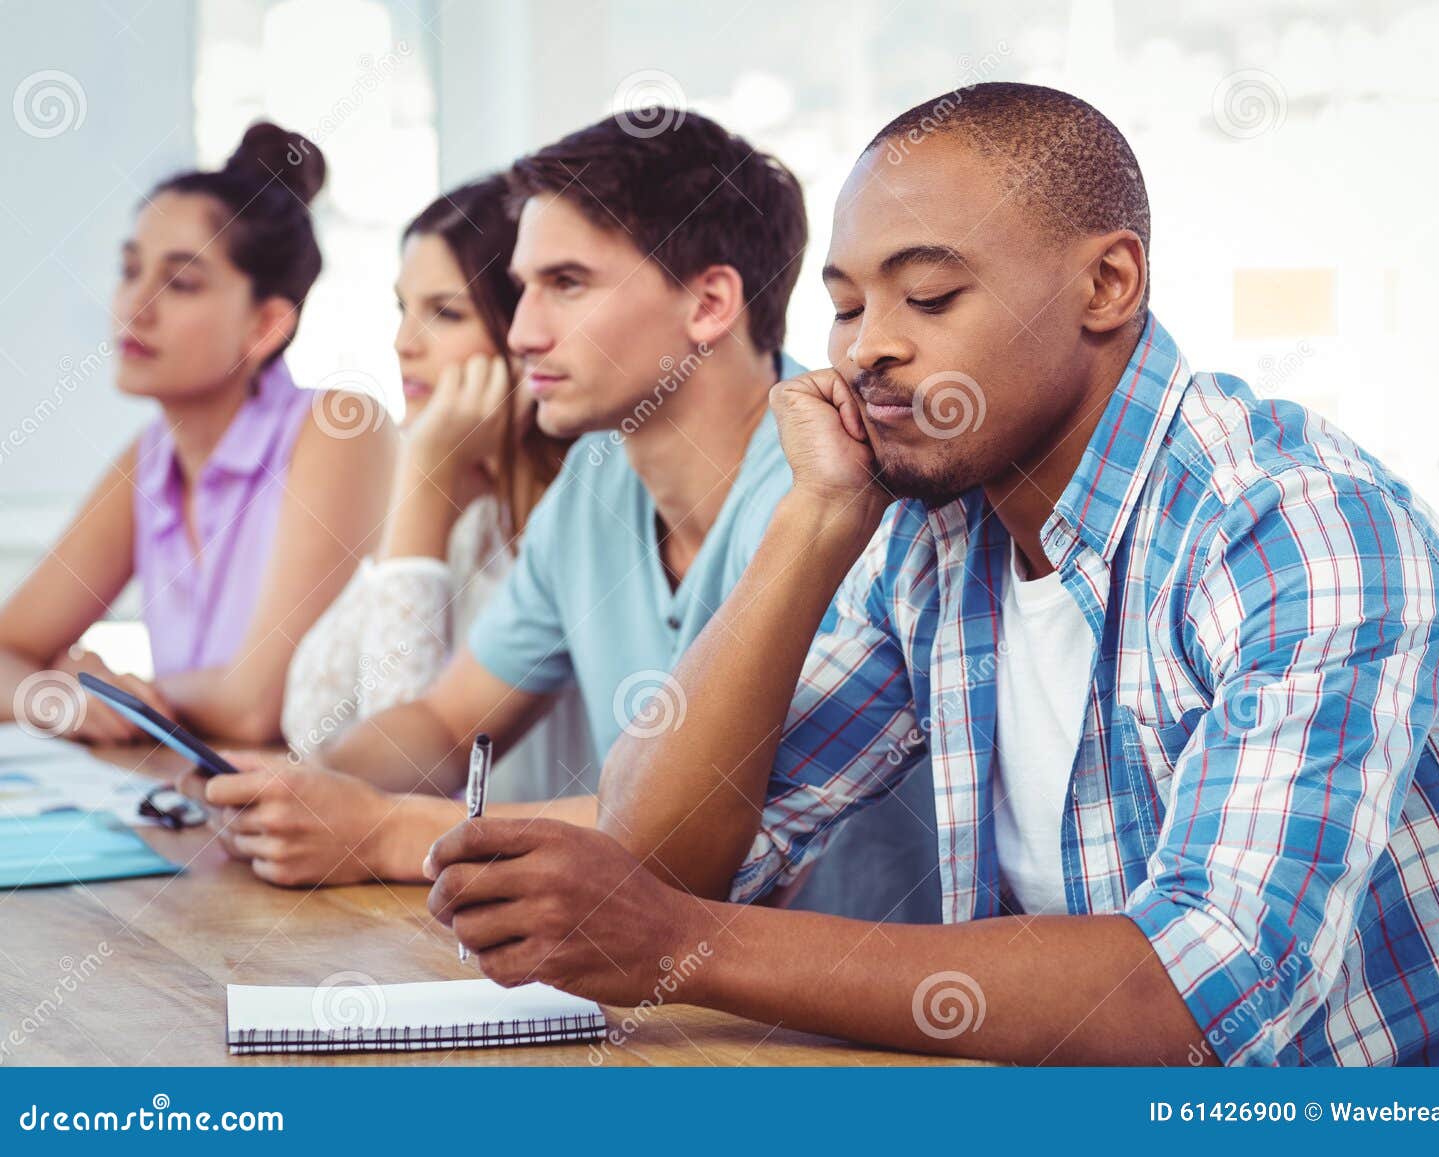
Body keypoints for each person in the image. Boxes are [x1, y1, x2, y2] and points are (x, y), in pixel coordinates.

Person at [425, 83, 1439, 1067]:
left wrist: (685, 942)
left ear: (1108, 284)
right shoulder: (937, 533)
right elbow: (662, 854)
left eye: (927, 297)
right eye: (844, 305)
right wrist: (816, 520)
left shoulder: (1296, 529)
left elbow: (1192, 993)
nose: (867, 344)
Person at [185, 111, 939, 922]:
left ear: (711, 303)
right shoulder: (596, 476)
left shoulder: (840, 485)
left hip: (826, 1021)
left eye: (566, 284)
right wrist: (307, 782)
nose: (522, 332)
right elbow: (447, 720)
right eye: (522, 288)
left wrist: (385, 831)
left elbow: (684, 838)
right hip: (676, 1004)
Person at [0, 122, 392, 746]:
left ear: (265, 325)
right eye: (130, 270)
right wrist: (57, 694)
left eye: (180, 283)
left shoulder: (340, 429)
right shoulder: (150, 459)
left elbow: (256, 707)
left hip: (326, 829)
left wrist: (108, 690)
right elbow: (7, 651)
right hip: (201, 819)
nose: (135, 306)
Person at [279, 174, 591, 801]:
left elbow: (402, 790)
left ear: (524, 331)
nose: (403, 344)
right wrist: (429, 491)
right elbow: (313, 730)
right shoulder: (472, 514)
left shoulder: (581, 516)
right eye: (402, 309)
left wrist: (423, 475)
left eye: (445, 314)